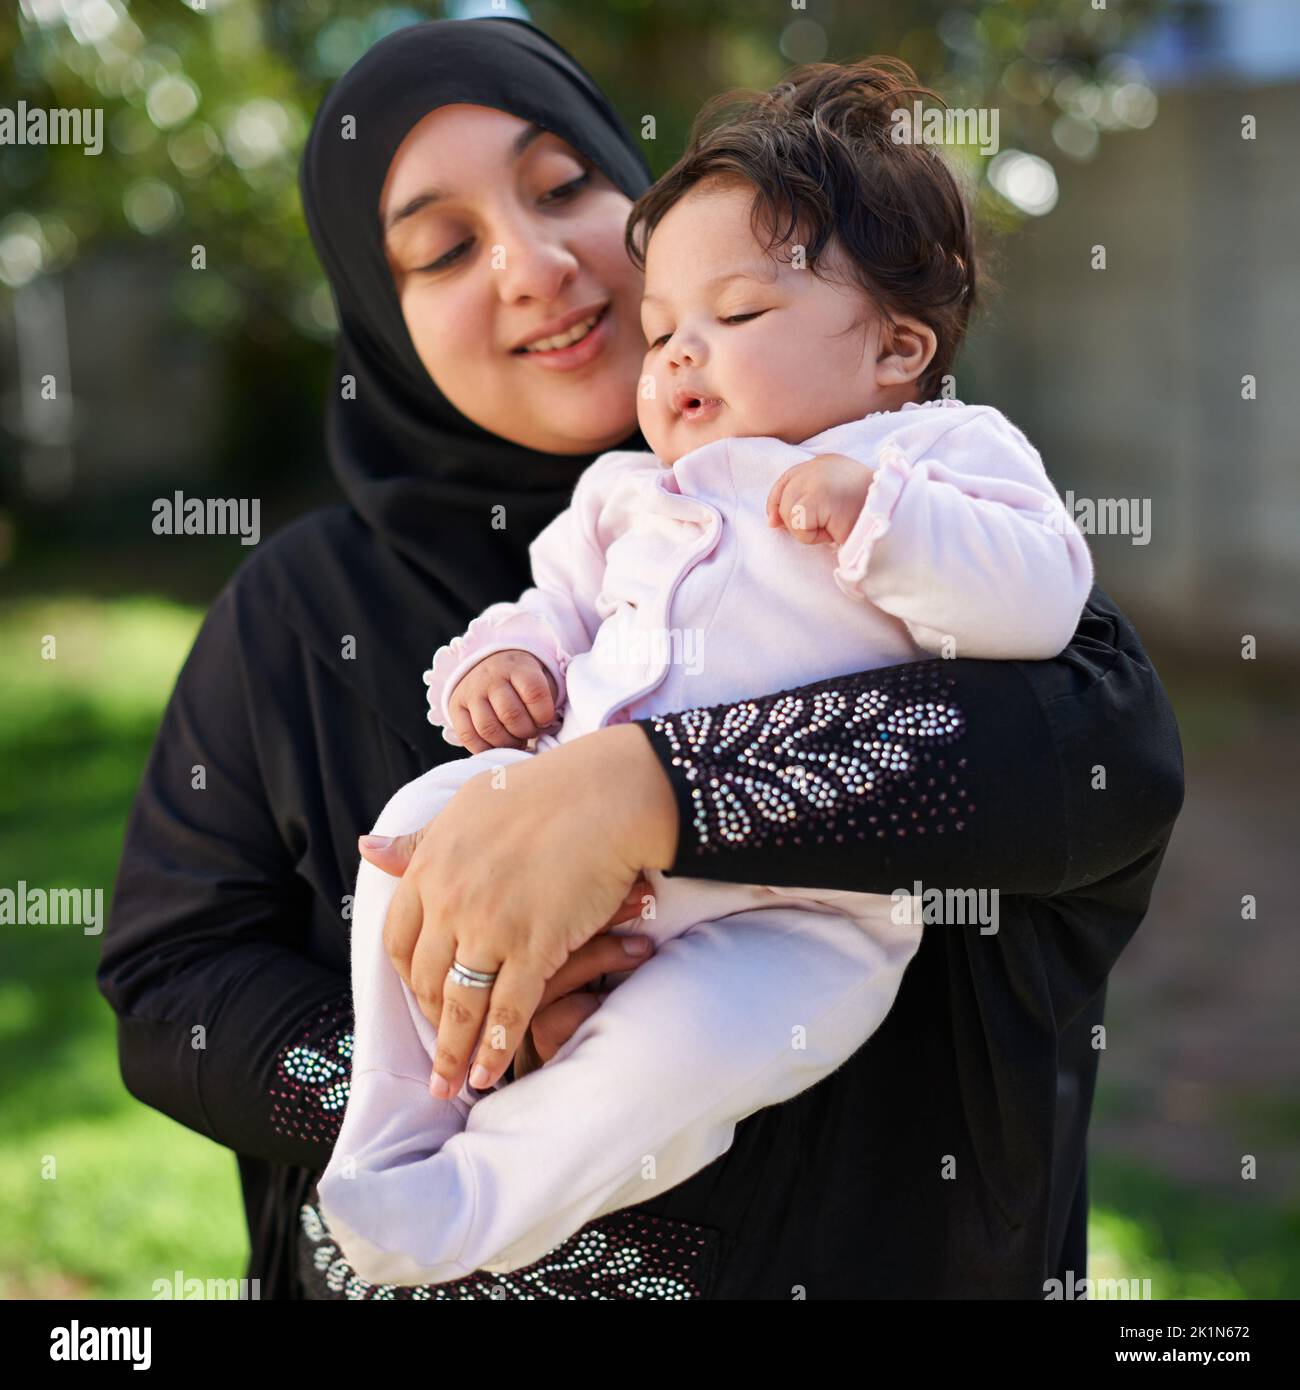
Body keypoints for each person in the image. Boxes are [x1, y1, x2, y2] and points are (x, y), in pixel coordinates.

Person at [98, 17, 1183, 1300]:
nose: (535, 263)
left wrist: (642, 790)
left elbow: (1093, 768)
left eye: (565, 188)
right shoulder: (298, 610)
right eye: (443, 249)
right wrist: (474, 1054)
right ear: (381, 319)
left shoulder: (916, 504)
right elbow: (176, 985)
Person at [315, 59, 1096, 1284]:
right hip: (557, 845)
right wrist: (505, 657)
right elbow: (549, 605)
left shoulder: (937, 452)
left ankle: (477, 1200)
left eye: (732, 321)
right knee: (416, 828)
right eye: (665, 331)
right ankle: (397, 1130)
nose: (678, 359)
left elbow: (1046, 603)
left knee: (679, 1056)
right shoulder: (624, 491)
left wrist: (883, 512)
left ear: (896, 347)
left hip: (805, 910)